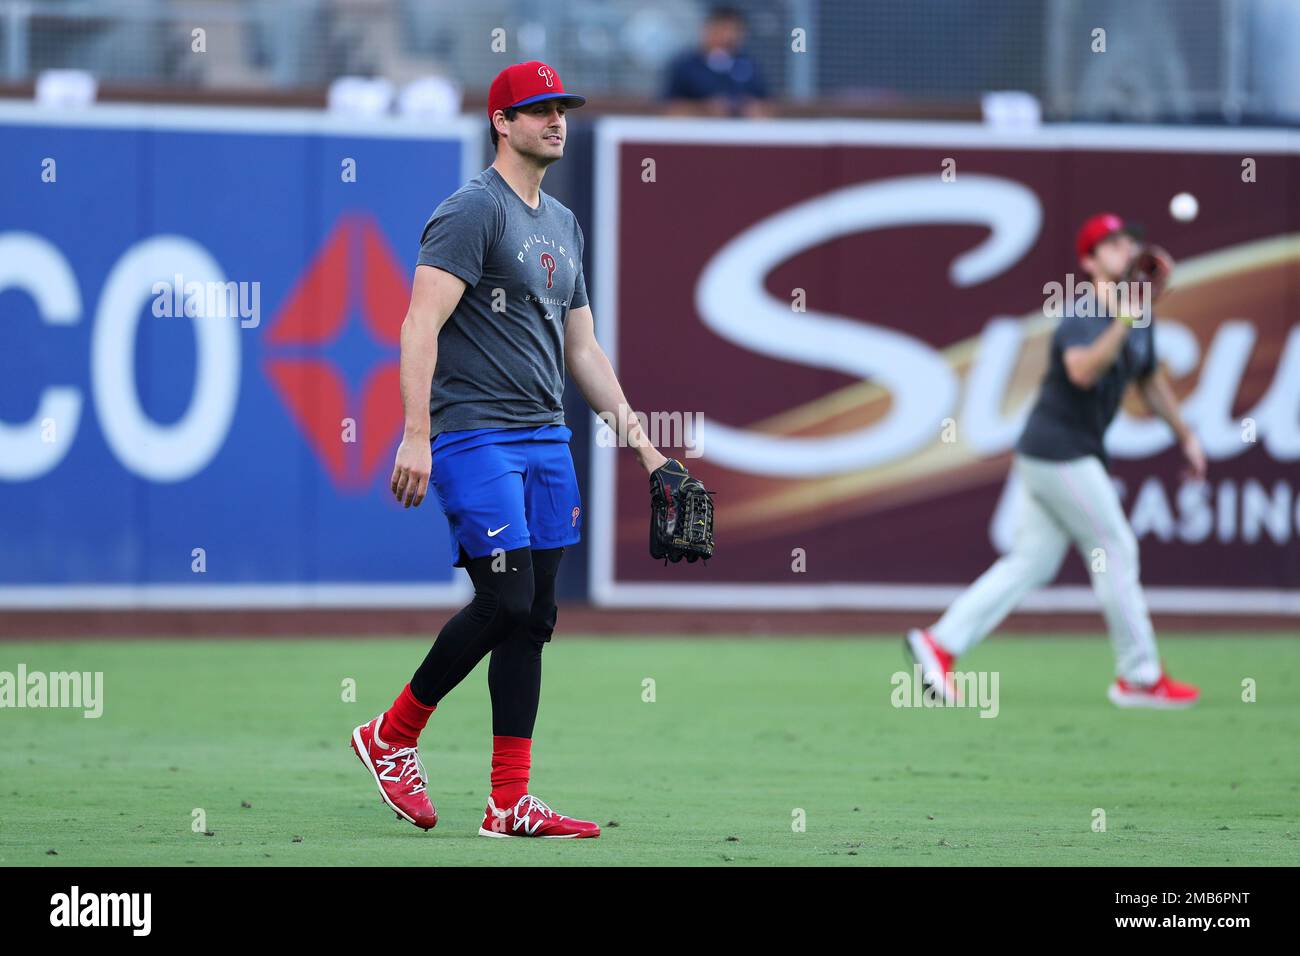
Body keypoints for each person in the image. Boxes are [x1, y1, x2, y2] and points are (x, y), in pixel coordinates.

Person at [351, 60, 669, 838]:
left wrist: (644, 446)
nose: (556, 120)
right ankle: (390, 735)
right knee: (506, 598)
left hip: (545, 438)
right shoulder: (472, 210)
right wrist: (417, 435)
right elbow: (417, 324)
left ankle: (508, 801)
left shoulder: (562, 223)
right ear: (502, 122)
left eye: (561, 109)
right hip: (474, 434)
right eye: (537, 110)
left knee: (534, 619)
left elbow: (584, 351)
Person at [907, 213, 1205, 710]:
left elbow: (1149, 381)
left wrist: (1187, 437)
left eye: (1127, 241)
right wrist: (1126, 319)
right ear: (1088, 262)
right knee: (1114, 546)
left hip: (1058, 453)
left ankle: (939, 644)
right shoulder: (1084, 312)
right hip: (1058, 451)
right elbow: (1083, 371)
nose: (1123, 250)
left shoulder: (1136, 312)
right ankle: (1139, 676)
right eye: (1109, 245)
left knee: (1031, 563)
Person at [663, 5, 770, 118]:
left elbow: (766, 106)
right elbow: (668, 109)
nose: (728, 36)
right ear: (707, 29)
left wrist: (748, 108)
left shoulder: (750, 65)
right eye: (722, 29)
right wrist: (704, 109)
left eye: (735, 30)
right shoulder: (685, 66)